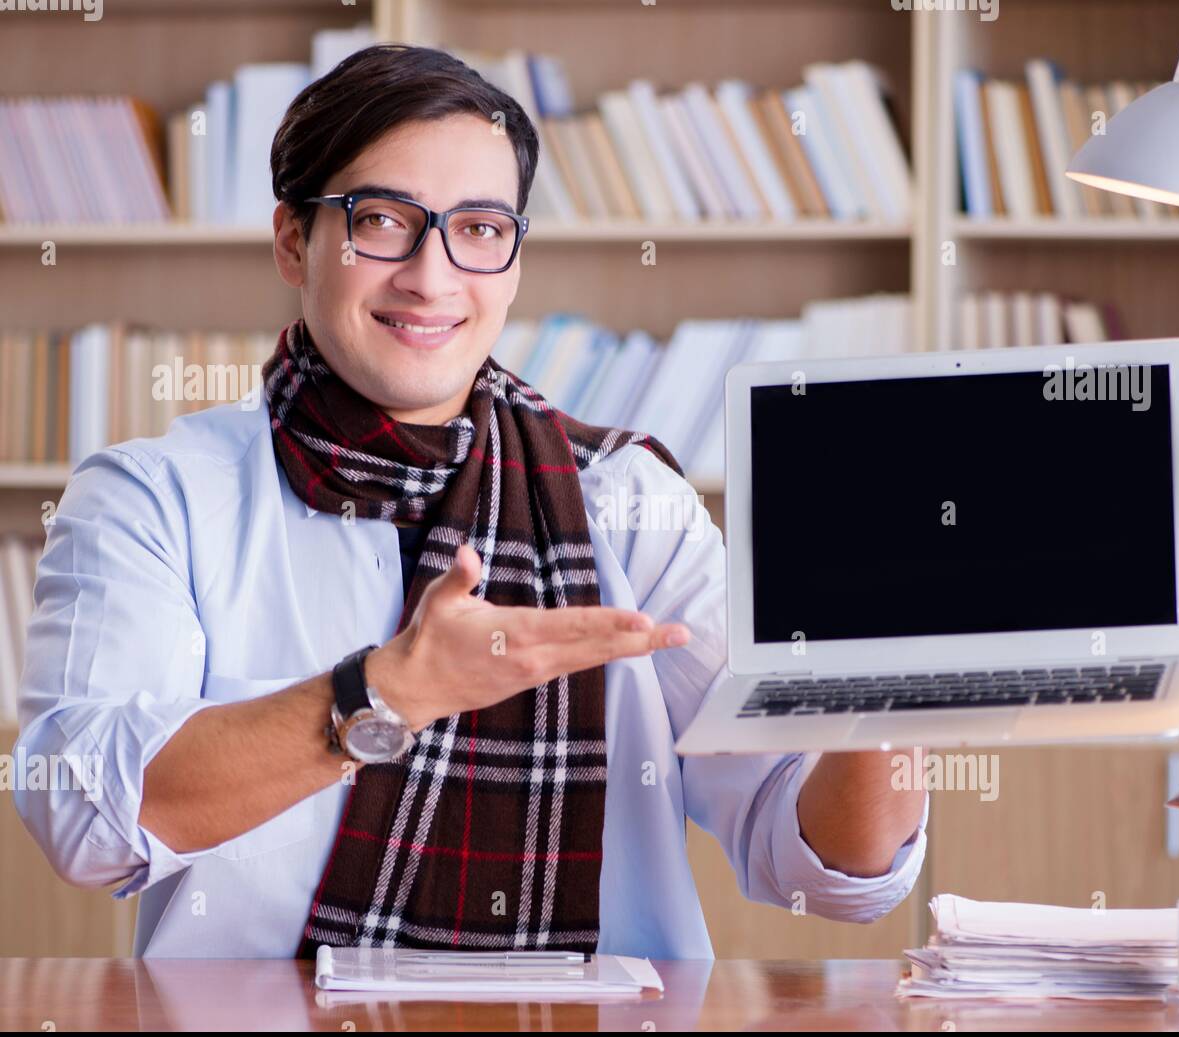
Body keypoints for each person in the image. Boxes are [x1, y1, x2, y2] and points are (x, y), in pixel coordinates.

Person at [14, 45, 927, 958]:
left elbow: (826, 868)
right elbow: (84, 823)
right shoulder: (152, 497)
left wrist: (876, 687)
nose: (432, 276)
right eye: (382, 220)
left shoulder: (626, 502)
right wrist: (380, 697)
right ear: (295, 240)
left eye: (480, 229)